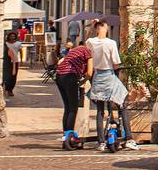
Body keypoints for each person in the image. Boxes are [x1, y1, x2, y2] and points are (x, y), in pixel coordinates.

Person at [87, 19, 137, 150]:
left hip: (97, 76)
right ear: (103, 27)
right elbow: (116, 63)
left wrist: (93, 27)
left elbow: (87, 42)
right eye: (106, 26)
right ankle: (129, 138)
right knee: (122, 104)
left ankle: (101, 142)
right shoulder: (111, 43)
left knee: (99, 110)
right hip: (109, 75)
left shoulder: (91, 42)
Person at [55, 39, 91, 136]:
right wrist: (82, 82)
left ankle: (65, 134)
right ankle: (69, 135)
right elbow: (90, 73)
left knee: (67, 107)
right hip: (70, 76)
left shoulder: (74, 50)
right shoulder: (87, 51)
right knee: (73, 108)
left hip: (59, 76)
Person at [2, 30, 21, 98]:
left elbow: (20, 51)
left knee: (14, 76)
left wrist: (20, 60)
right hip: (8, 62)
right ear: (9, 37)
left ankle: (10, 89)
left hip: (15, 61)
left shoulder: (18, 43)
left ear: (15, 37)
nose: (12, 37)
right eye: (11, 36)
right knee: (8, 76)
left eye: (13, 36)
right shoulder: (6, 44)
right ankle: (7, 89)